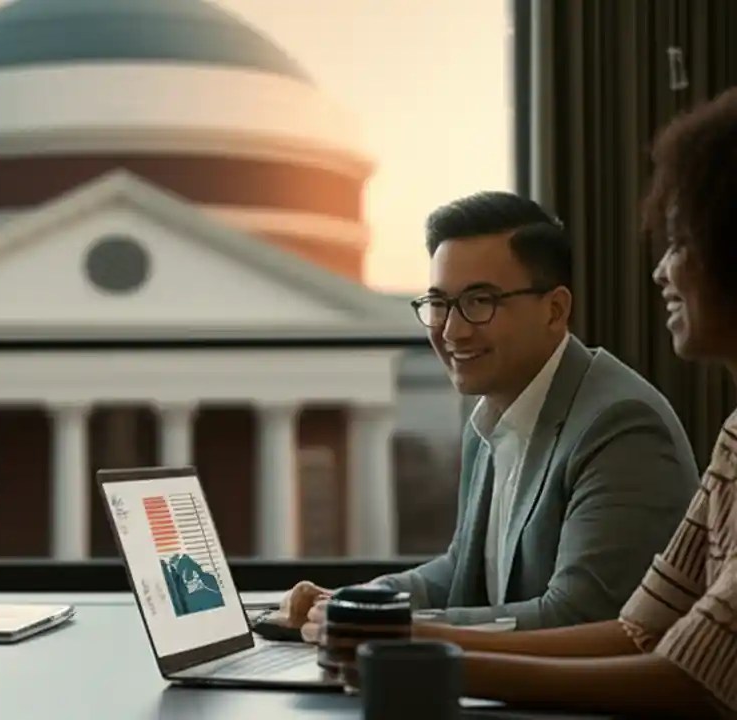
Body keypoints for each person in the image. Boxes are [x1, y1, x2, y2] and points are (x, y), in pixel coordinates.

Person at [381, 86, 737, 719]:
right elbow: (640, 628)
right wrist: (369, 613)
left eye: (681, 241)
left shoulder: (621, 422)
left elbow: (691, 675)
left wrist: (413, 651)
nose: (660, 270)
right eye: (440, 304)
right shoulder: (734, 440)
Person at [283, 191, 698, 633]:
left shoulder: (621, 425)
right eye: (439, 303)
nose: (453, 330)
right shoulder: (490, 413)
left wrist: (397, 627)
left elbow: (577, 617)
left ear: (555, 311)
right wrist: (355, 603)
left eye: (480, 302)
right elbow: (463, 567)